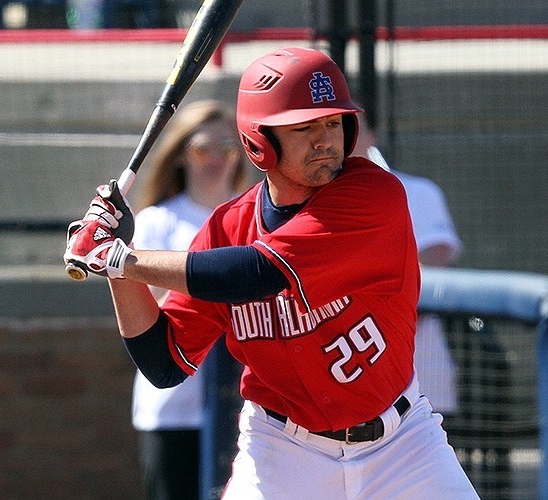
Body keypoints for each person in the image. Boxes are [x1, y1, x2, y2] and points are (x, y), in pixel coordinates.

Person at [64, 47, 478, 498]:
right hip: (281, 451)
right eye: (304, 127)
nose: (325, 140)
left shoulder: (372, 194)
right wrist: (117, 270)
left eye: (333, 122)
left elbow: (255, 272)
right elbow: (163, 363)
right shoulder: (228, 227)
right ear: (259, 141)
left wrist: (120, 258)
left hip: (401, 447)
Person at [129, 100, 250, 500]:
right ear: (181, 155)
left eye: (229, 149)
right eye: (203, 149)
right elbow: (157, 306)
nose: (217, 159)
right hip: (173, 405)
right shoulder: (156, 221)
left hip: (244, 406)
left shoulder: (251, 217)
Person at [352, 113, 463, 414]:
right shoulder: (304, 202)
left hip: (422, 386)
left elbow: (429, 276)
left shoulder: (418, 192)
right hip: (346, 395)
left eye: (352, 125)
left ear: (372, 134)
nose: (343, 138)